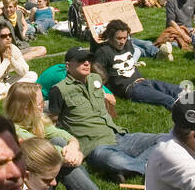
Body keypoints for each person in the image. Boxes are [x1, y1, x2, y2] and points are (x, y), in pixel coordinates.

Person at [3, 82, 135, 190]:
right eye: (40, 104)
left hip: (45, 175)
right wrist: (74, 156)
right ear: (25, 108)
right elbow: (47, 155)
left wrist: (74, 145)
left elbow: (63, 134)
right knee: (63, 159)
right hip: (33, 187)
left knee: (58, 140)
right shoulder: (15, 131)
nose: (43, 106)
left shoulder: (34, 121)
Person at [50, 47, 164, 181]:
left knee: (164, 139)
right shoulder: (59, 90)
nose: (87, 63)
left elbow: (110, 99)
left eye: (88, 59)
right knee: (113, 160)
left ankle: (129, 168)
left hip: (118, 136)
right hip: (95, 146)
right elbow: (53, 123)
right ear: (68, 66)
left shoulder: (95, 79)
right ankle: (139, 166)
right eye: (81, 60)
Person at [92, 19, 184, 109]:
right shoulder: (103, 52)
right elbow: (96, 74)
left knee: (179, 90)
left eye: (124, 38)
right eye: (119, 38)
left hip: (144, 81)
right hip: (131, 89)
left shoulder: (128, 45)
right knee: (168, 99)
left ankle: (194, 101)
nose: (122, 41)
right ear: (111, 36)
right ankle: (186, 114)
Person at [0, 19, 38, 100]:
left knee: (32, 75)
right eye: (4, 36)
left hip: (5, 81)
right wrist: (6, 60)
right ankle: (17, 90)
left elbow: (24, 70)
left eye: (9, 35)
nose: (8, 38)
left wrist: (12, 59)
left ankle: (7, 92)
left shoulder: (13, 48)